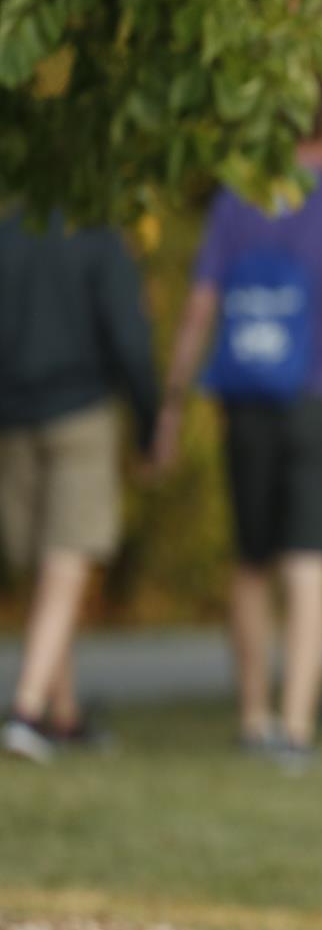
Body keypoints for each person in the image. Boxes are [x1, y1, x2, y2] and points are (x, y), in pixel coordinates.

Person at [156, 86, 322, 770]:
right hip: (321, 395)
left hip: (247, 398)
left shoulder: (237, 199)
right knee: (311, 559)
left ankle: (253, 714)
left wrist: (174, 400)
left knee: (251, 560)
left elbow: (201, 306)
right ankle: (295, 727)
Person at [0, 211, 158, 763]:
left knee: (42, 566)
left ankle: (62, 714)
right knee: (67, 560)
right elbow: (130, 337)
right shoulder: (97, 236)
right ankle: (27, 710)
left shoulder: (7, 233)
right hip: (79, 413)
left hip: (12, 420)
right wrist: (150, 422)